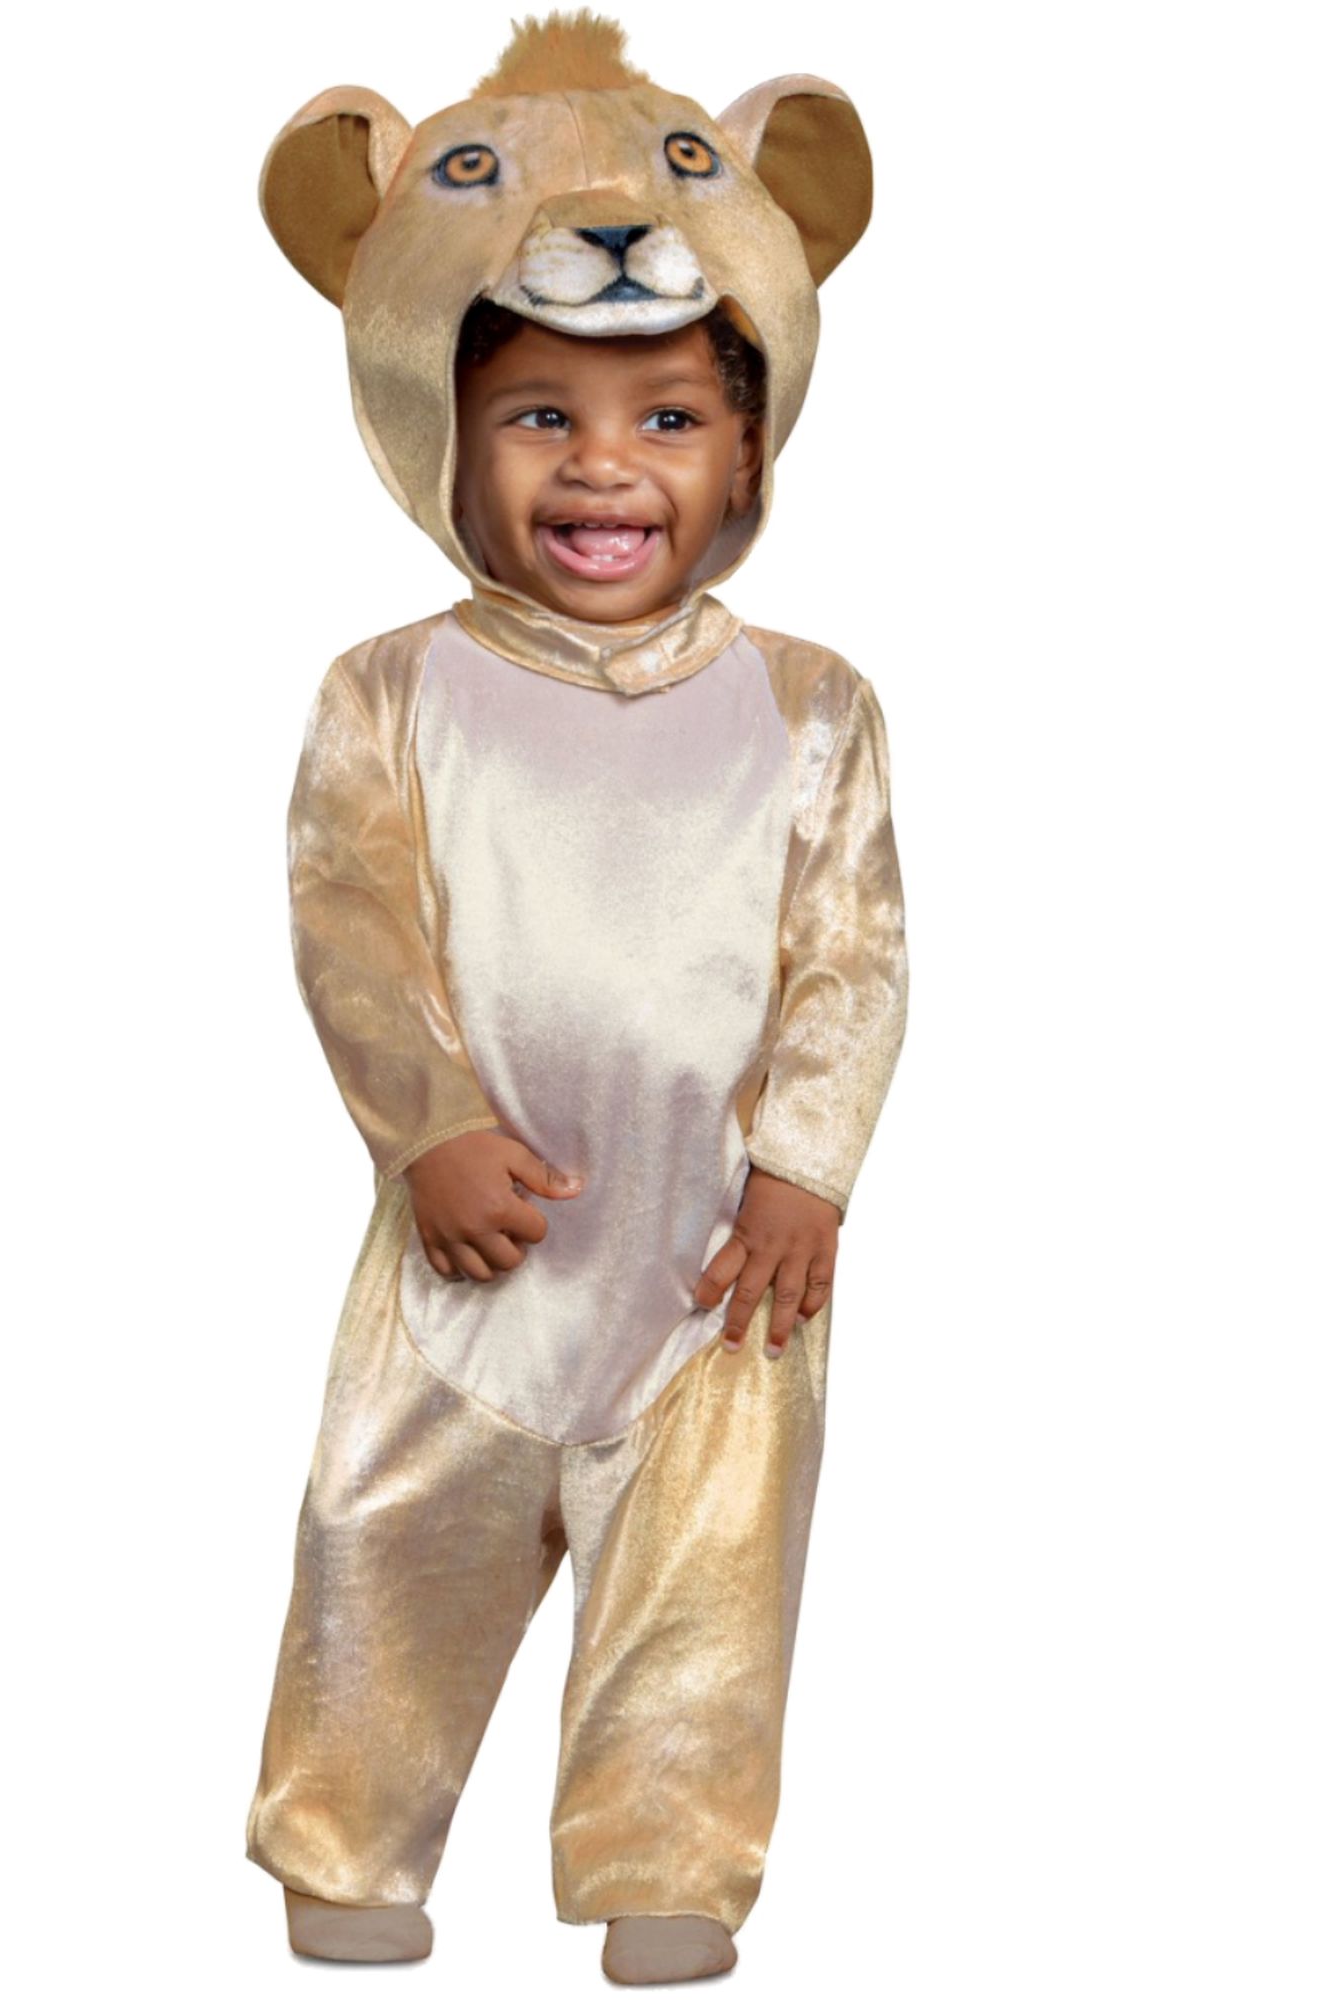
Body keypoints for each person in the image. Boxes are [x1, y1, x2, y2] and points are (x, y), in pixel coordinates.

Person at [244, 13, 909, 1985]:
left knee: (709, 1578)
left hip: (720, 1264)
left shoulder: (811, 705)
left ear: (749, 448)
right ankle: (346, 1841)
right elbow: (353, 922)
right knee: (385, 1540)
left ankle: (669, 1866)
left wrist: (806, 1167)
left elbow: (854, 951)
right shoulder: (393, 692)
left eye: (670, 422)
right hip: (467, 1243)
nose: (606, 466)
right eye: (539, 416)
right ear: (436, 439)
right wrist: (430, 1128)